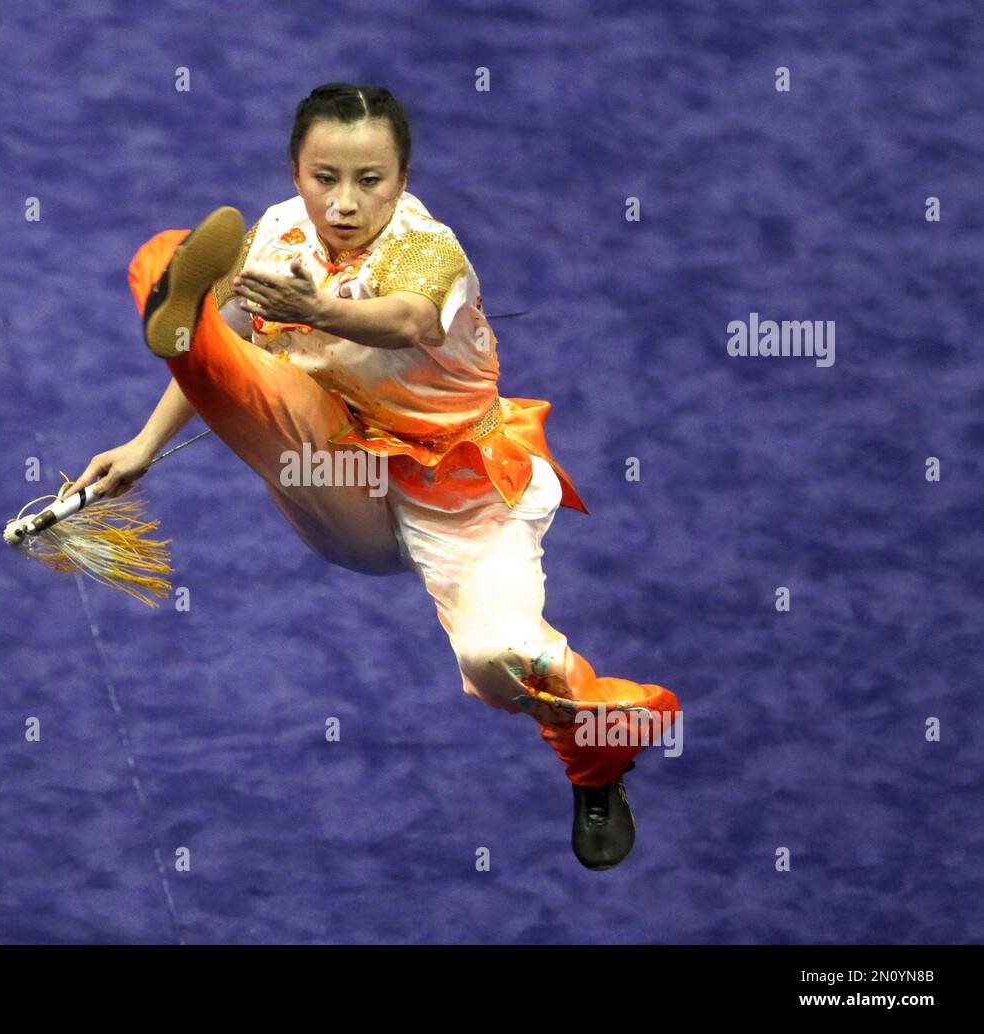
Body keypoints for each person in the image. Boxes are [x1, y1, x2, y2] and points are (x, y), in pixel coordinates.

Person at [67, 83, 679, 871]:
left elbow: (409, 321)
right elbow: (234, 342)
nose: (345, 203)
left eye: (370, 180)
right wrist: (144, 444)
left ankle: (595, 757)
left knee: (501, 660)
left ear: (403, 178)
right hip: (335, 466)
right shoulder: (277, 235)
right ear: (295, 171)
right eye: (324, 178)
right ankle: (171, 285)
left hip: (462, 497)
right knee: (240, 357)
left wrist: (318, 313)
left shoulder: (429, 250)